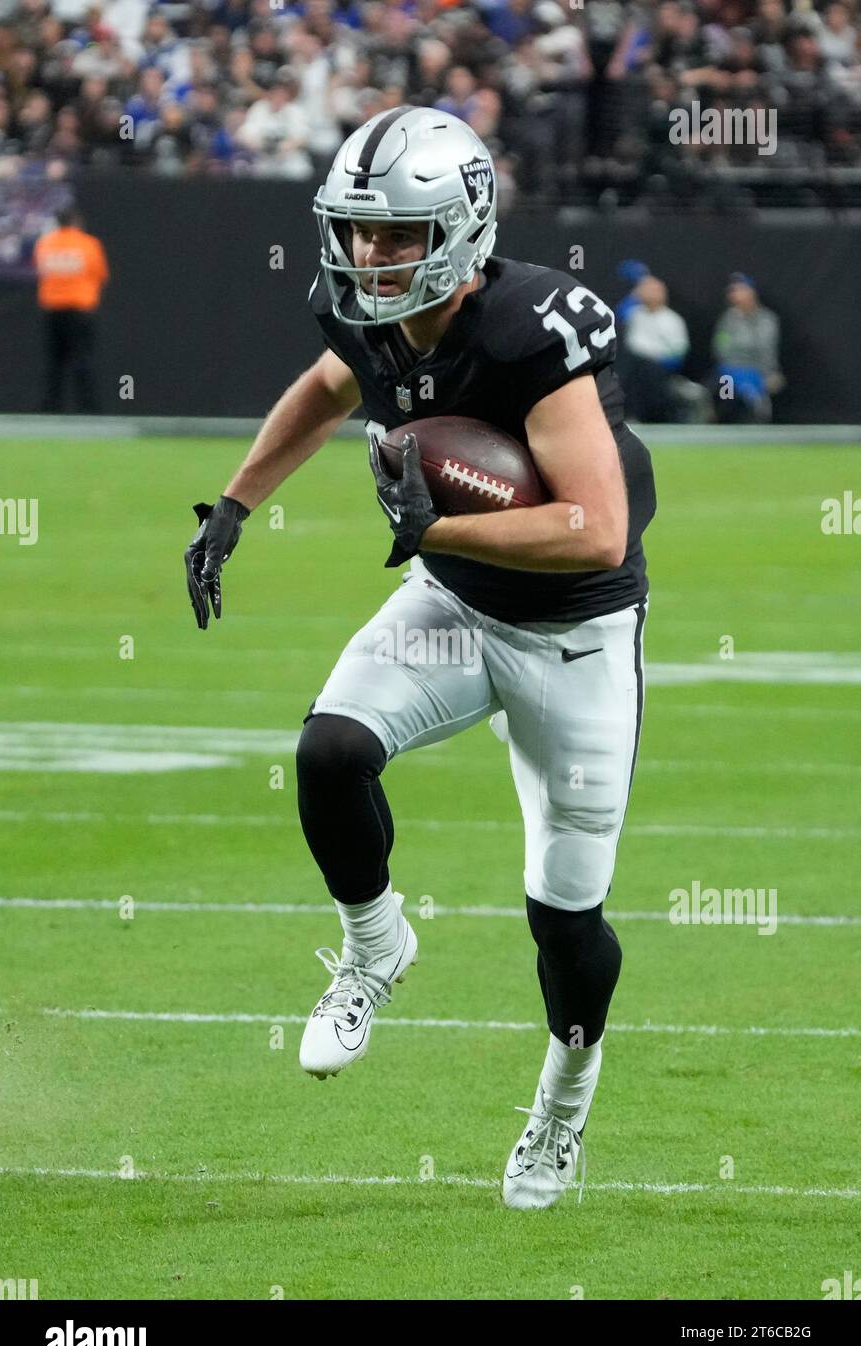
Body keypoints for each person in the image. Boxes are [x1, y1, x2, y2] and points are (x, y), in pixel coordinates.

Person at [184, 107, 656, 1212]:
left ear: (461, 227)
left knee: (565, 923)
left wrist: (430, 529)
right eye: (357, 232)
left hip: (573, 633)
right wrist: (239, 505)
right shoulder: (362, 313)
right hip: (452, 605)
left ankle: (562, 1100)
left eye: (397, 236)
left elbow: (594, 529)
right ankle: (374, 947)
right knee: (329, 750)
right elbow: (325, 387)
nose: (369, 256)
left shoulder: (528, 330)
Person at [33, 204, 109, 413]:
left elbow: (41, 272)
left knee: (54, 363)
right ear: (75, 221)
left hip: (52, 310)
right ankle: (88, 409)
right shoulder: (88, 244)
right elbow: (100, 274)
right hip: (79, 309)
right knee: (82, 360)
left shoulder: (45, 244)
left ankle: (50, 407)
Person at [711, 272, 784, 423]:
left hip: (758, 371)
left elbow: (764, 349)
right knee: (727, 385)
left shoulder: (767, 319)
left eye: (740, 290)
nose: (736, 294)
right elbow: (720, 347)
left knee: (751, 381)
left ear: (751, 292)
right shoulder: (728, 319)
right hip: (730, 370)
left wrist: (768, 372)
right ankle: (738, 409)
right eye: (733, 291)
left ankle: (754, 404)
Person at [619, 274, 693, 422]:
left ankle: (656, 417)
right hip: (635, 365)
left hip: (662, 365)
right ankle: (629, 416)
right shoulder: (635, 314)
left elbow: (679, 351)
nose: (650, 294)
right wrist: (635, 295)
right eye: (646, 290)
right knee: (626, 366)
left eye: (654, 290)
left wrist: (657, 357)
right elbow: (618, 316)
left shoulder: (673, 319)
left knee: (649, 370)